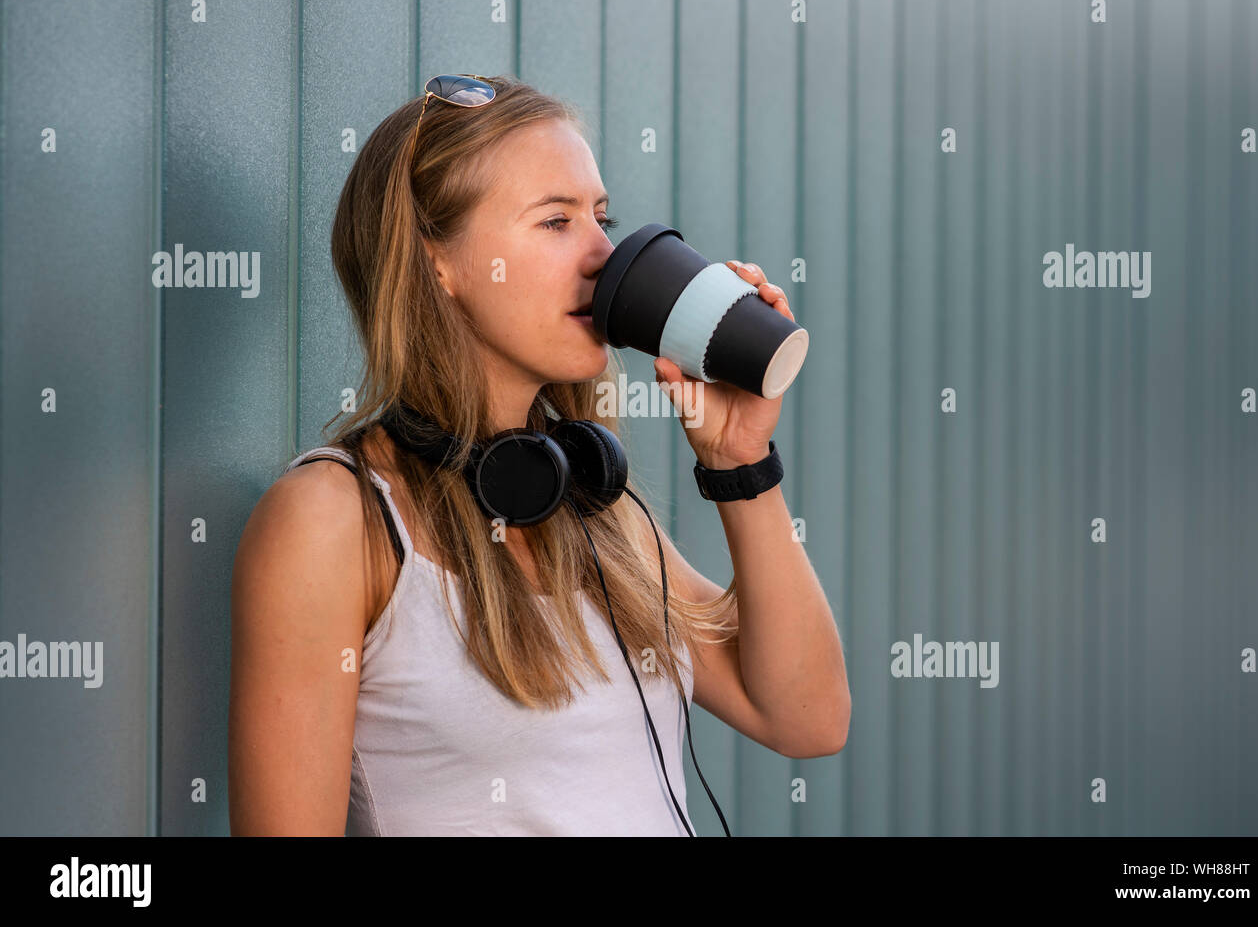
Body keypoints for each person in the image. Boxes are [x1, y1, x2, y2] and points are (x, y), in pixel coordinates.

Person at [227, 74, 851, 836]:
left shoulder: (591, 501)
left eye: (601, 217)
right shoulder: (331, 520)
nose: (604, 255)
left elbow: (808, 717)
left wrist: (739, 463)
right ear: (437, 264)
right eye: (555, 222)